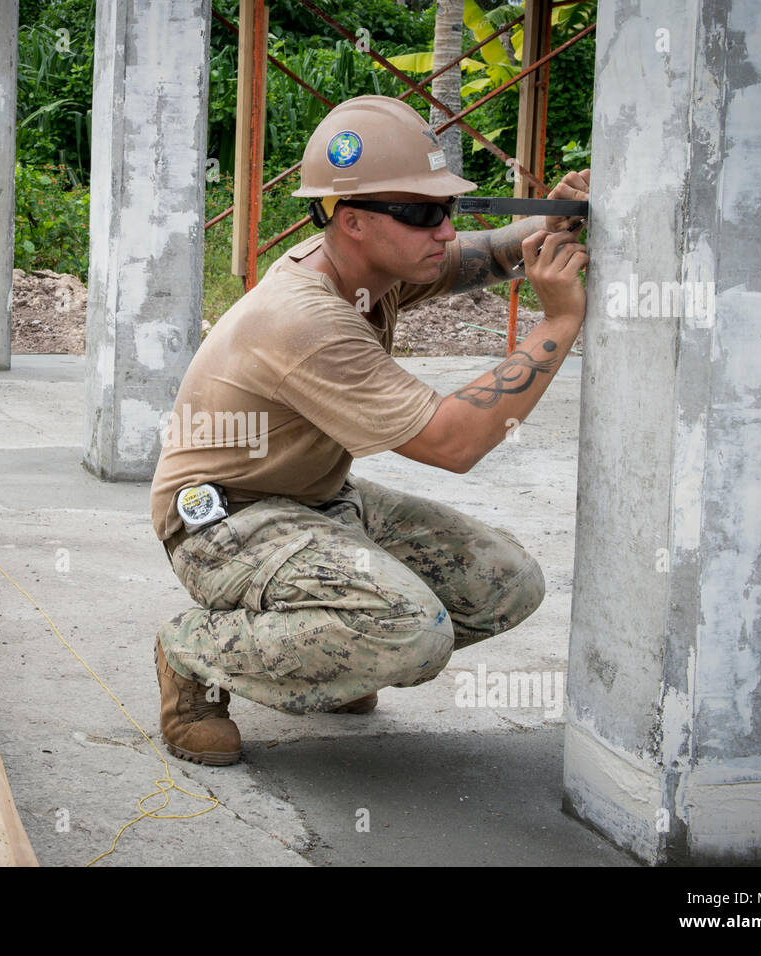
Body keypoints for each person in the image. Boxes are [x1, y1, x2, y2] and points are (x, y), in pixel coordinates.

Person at [149, 94, 590, 766]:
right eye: (421, 213)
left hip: (318, 504)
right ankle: (194, 655)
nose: (443, 229)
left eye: (447, 209)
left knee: (506, 581)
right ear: (353, 221)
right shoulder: (305, 319)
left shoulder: (370, 268)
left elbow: (489, 255)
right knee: (412, 632)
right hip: (226, 526)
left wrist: (549, 221)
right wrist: (557, 324)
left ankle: (333, 661)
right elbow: (453, 442)